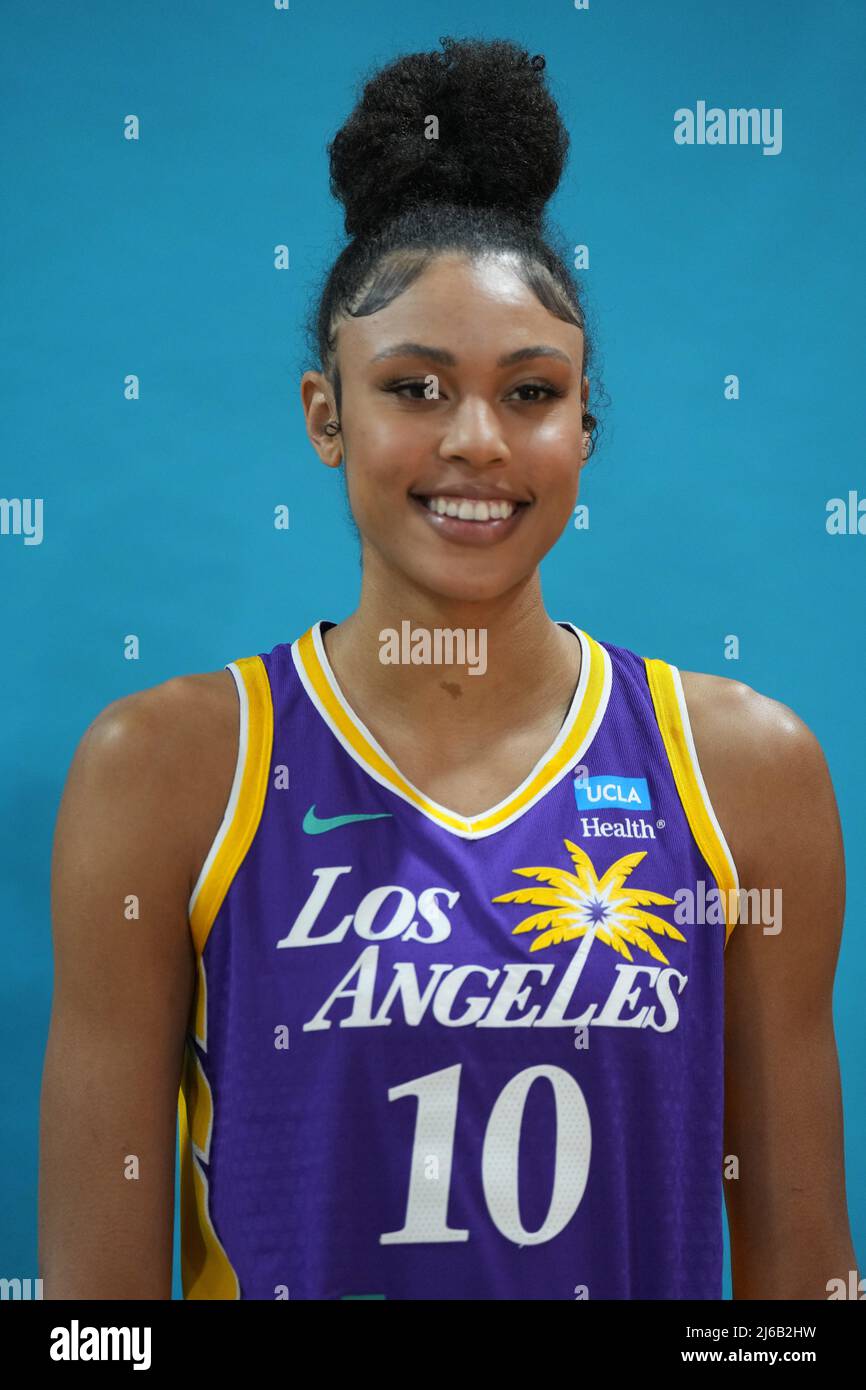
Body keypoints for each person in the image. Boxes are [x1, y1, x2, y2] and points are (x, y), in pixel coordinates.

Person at [39, 36, 857, 1300]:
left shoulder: (745, 773)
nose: (475, 440)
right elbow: (93, 1327)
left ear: (583, 423)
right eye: (414, 387)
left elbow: (800, 1291)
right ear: (326, 415)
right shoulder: (163, 772)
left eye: (529, 392)